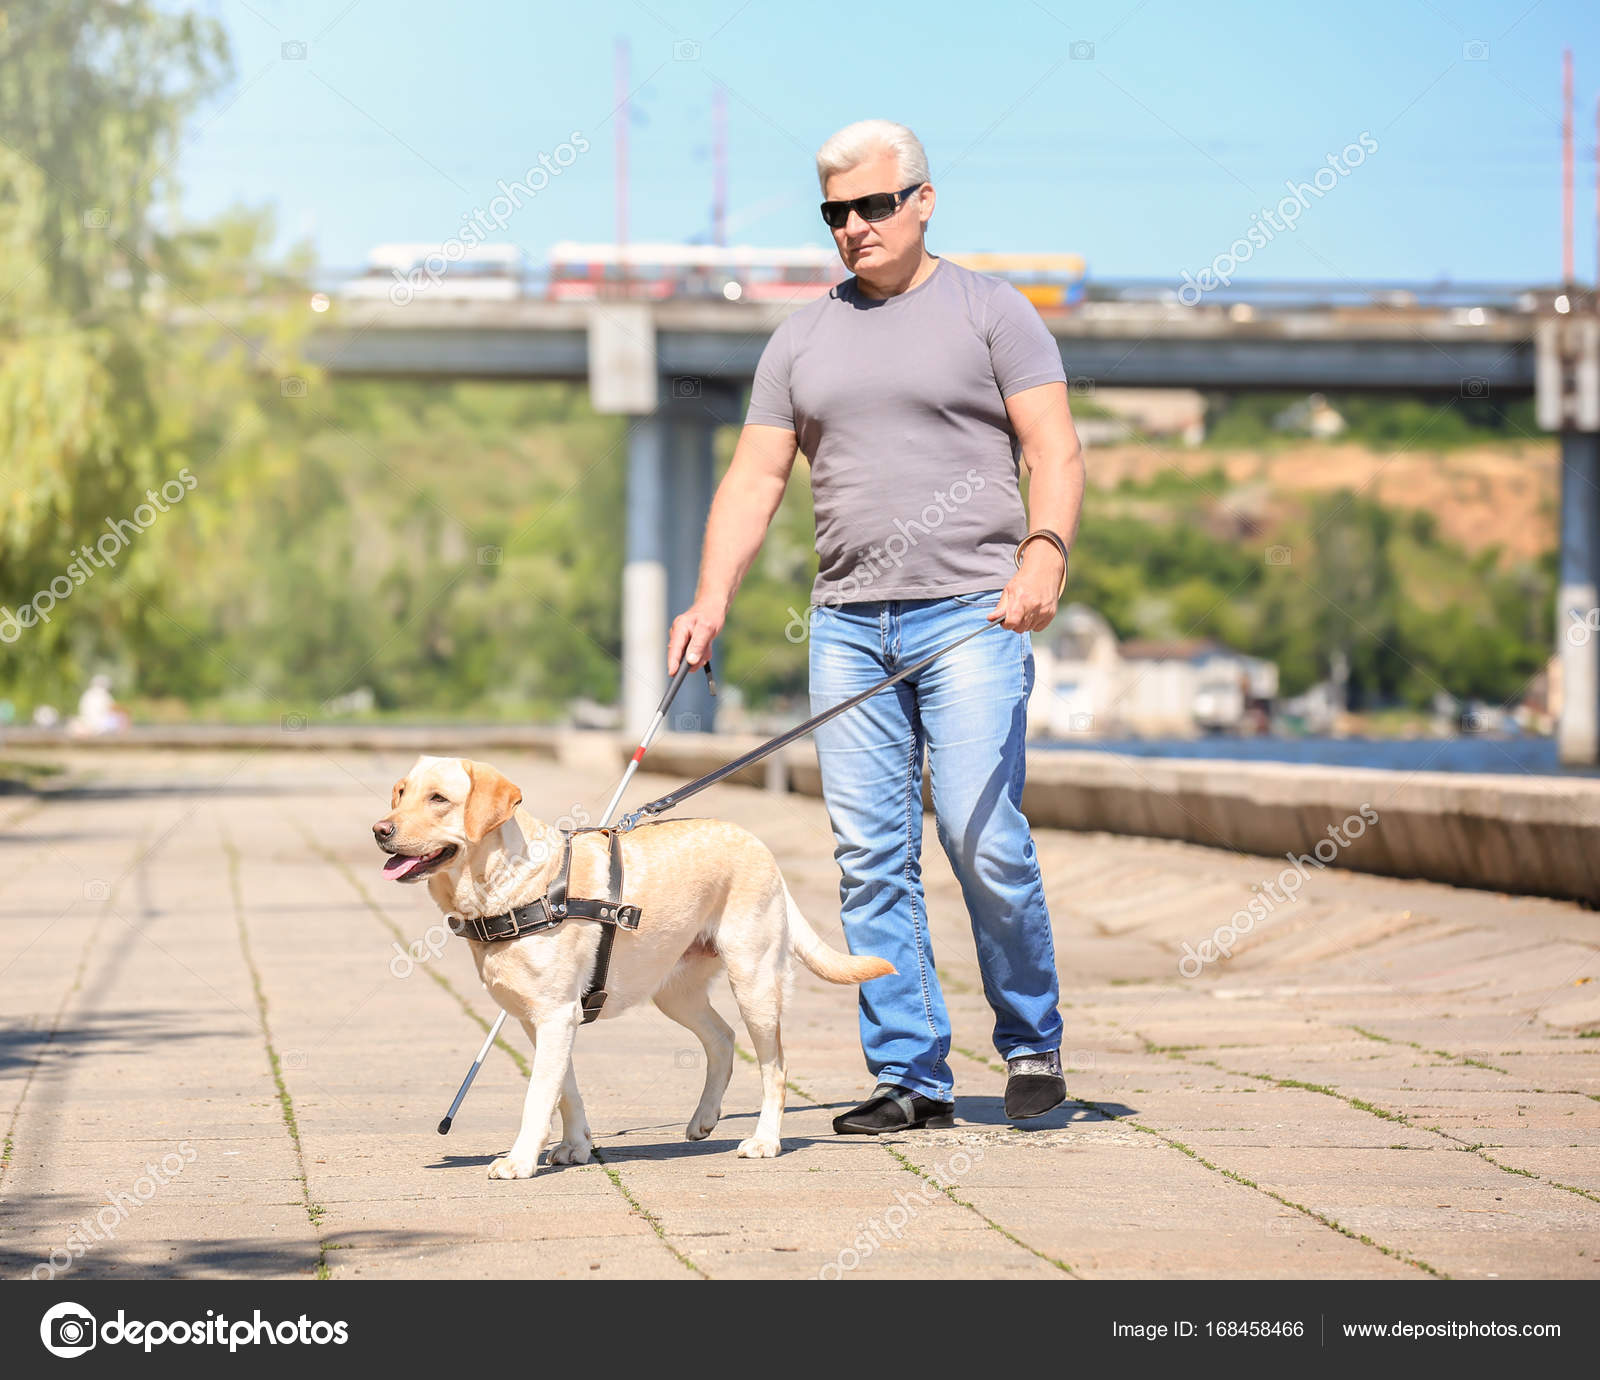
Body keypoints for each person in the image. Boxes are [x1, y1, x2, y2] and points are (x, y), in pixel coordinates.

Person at [668, 118, 1085, 1131]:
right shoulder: (801, 336)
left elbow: (1056, 450)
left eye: (873, 205)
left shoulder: (995, 312)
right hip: (849, 629)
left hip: (973, 616)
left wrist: (1045, 551)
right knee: (868, 857)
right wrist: (710, 595)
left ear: (923, 200)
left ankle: (1029, 1044)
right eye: (834, 212)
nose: (853, 227)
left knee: (981, 835)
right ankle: (910, 1075)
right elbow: (755, 475)